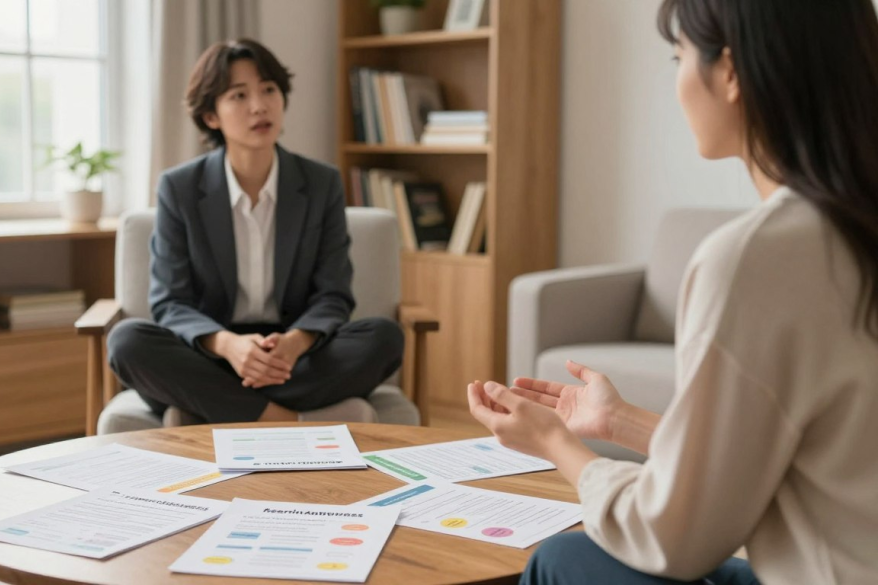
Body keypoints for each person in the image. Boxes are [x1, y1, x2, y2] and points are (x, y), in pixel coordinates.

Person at [468, 1, 878, 583]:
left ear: (730, 73)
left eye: (679, 55)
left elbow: (675, 538)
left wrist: (558, 446)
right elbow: (780, 459)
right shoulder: (852, 224)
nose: (678, 80)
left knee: (562, 562)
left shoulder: (757, 257)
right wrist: (620, 422)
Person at [108, 39, 404, 426]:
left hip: (294, 356)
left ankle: (210, 409)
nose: (259, 106)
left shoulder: (321, 183)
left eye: (269, 90)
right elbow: (171, 302)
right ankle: (284, 419)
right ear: (211, 116)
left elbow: (333, 293)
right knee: (127, 342)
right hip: (211, 354)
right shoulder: (179, 188)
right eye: (239, 95)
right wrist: (227, 345)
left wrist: (295, 343)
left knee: (384, 337)